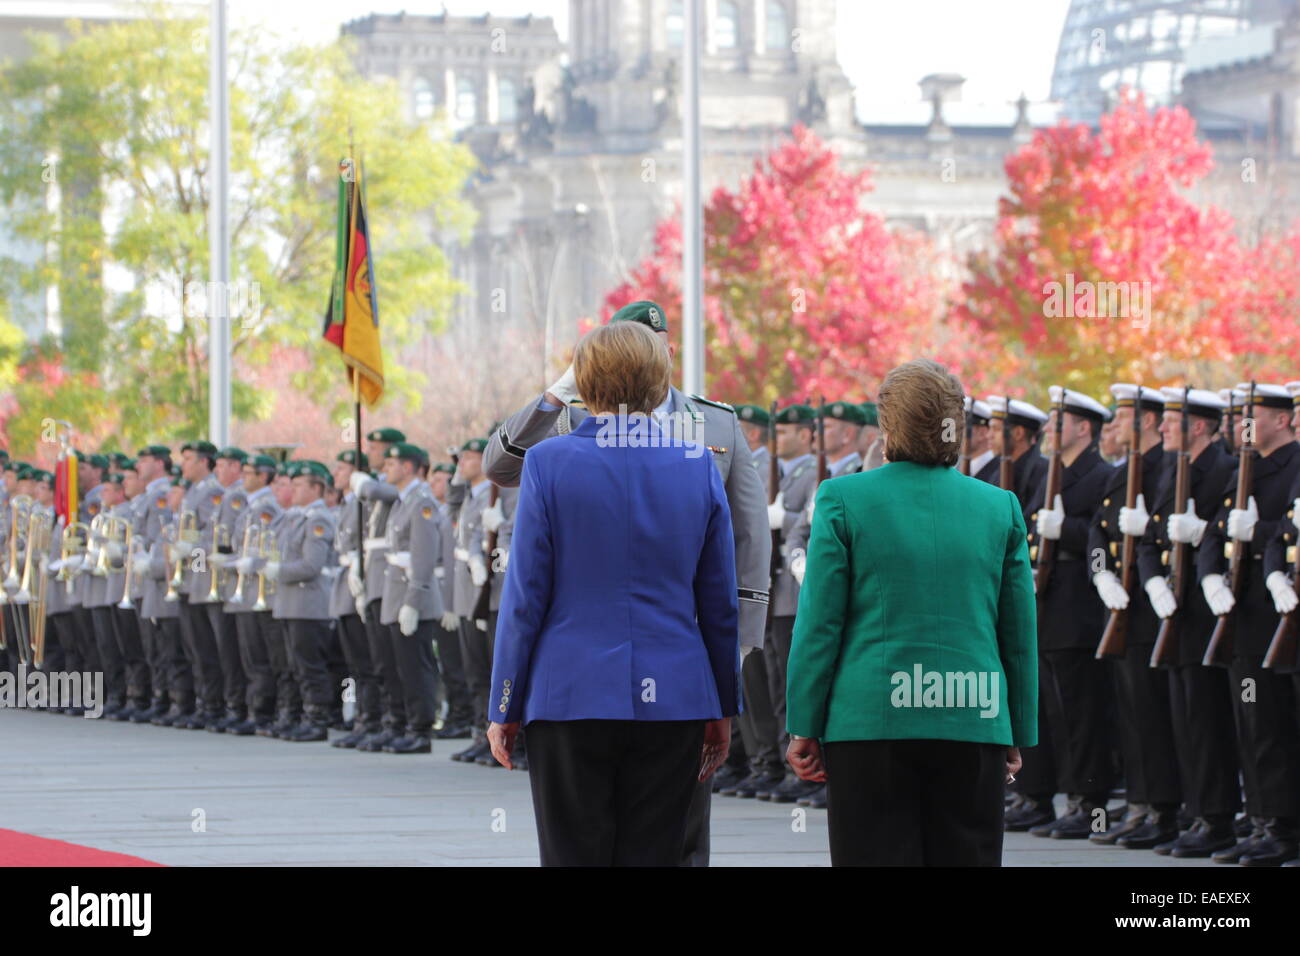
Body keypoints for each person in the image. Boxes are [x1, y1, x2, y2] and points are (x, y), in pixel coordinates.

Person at [486, 321, 741, 867]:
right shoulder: (697, 465)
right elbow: (718, 604)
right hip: (674, 695)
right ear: (658, 381)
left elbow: (526, 595)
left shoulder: (548, 463)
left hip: (569, 693)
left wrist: (504, 702)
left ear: (585, 382)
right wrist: (722, 703)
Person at [784, 358, 1037, 866]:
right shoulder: (999, 506)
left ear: (887, 424)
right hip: (973, 716)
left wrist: (803, 723)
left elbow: (820, 623)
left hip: (871, 720)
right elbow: (1017, 631)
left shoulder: (842, 497)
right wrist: (1016, 727)